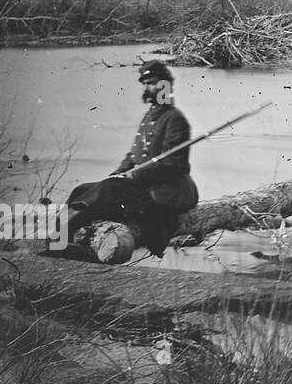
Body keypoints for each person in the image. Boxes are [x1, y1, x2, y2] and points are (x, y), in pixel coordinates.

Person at [65, 62, 200, 258]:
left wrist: (134, 175)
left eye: (153, 83)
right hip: (142, 185)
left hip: (163, 192)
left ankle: (68, 241)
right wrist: (118, 173)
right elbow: (134, 155)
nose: (148, 88)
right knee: (82, 189)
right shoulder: (150, 116)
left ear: (166, 86)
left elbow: (174, 166)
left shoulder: (175, 119)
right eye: (145, 84)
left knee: (108, 189)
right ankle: (68, 238)